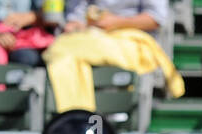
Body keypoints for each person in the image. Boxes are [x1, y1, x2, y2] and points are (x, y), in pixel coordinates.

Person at [43, 0, 183, 111]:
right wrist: (76, 25)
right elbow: (76, 18)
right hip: (90, 37)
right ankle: (77, 115)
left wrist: (116, 22)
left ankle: (85, 114)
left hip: (133, 38)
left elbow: (155, 18)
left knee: (63, 49)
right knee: (61, 51)